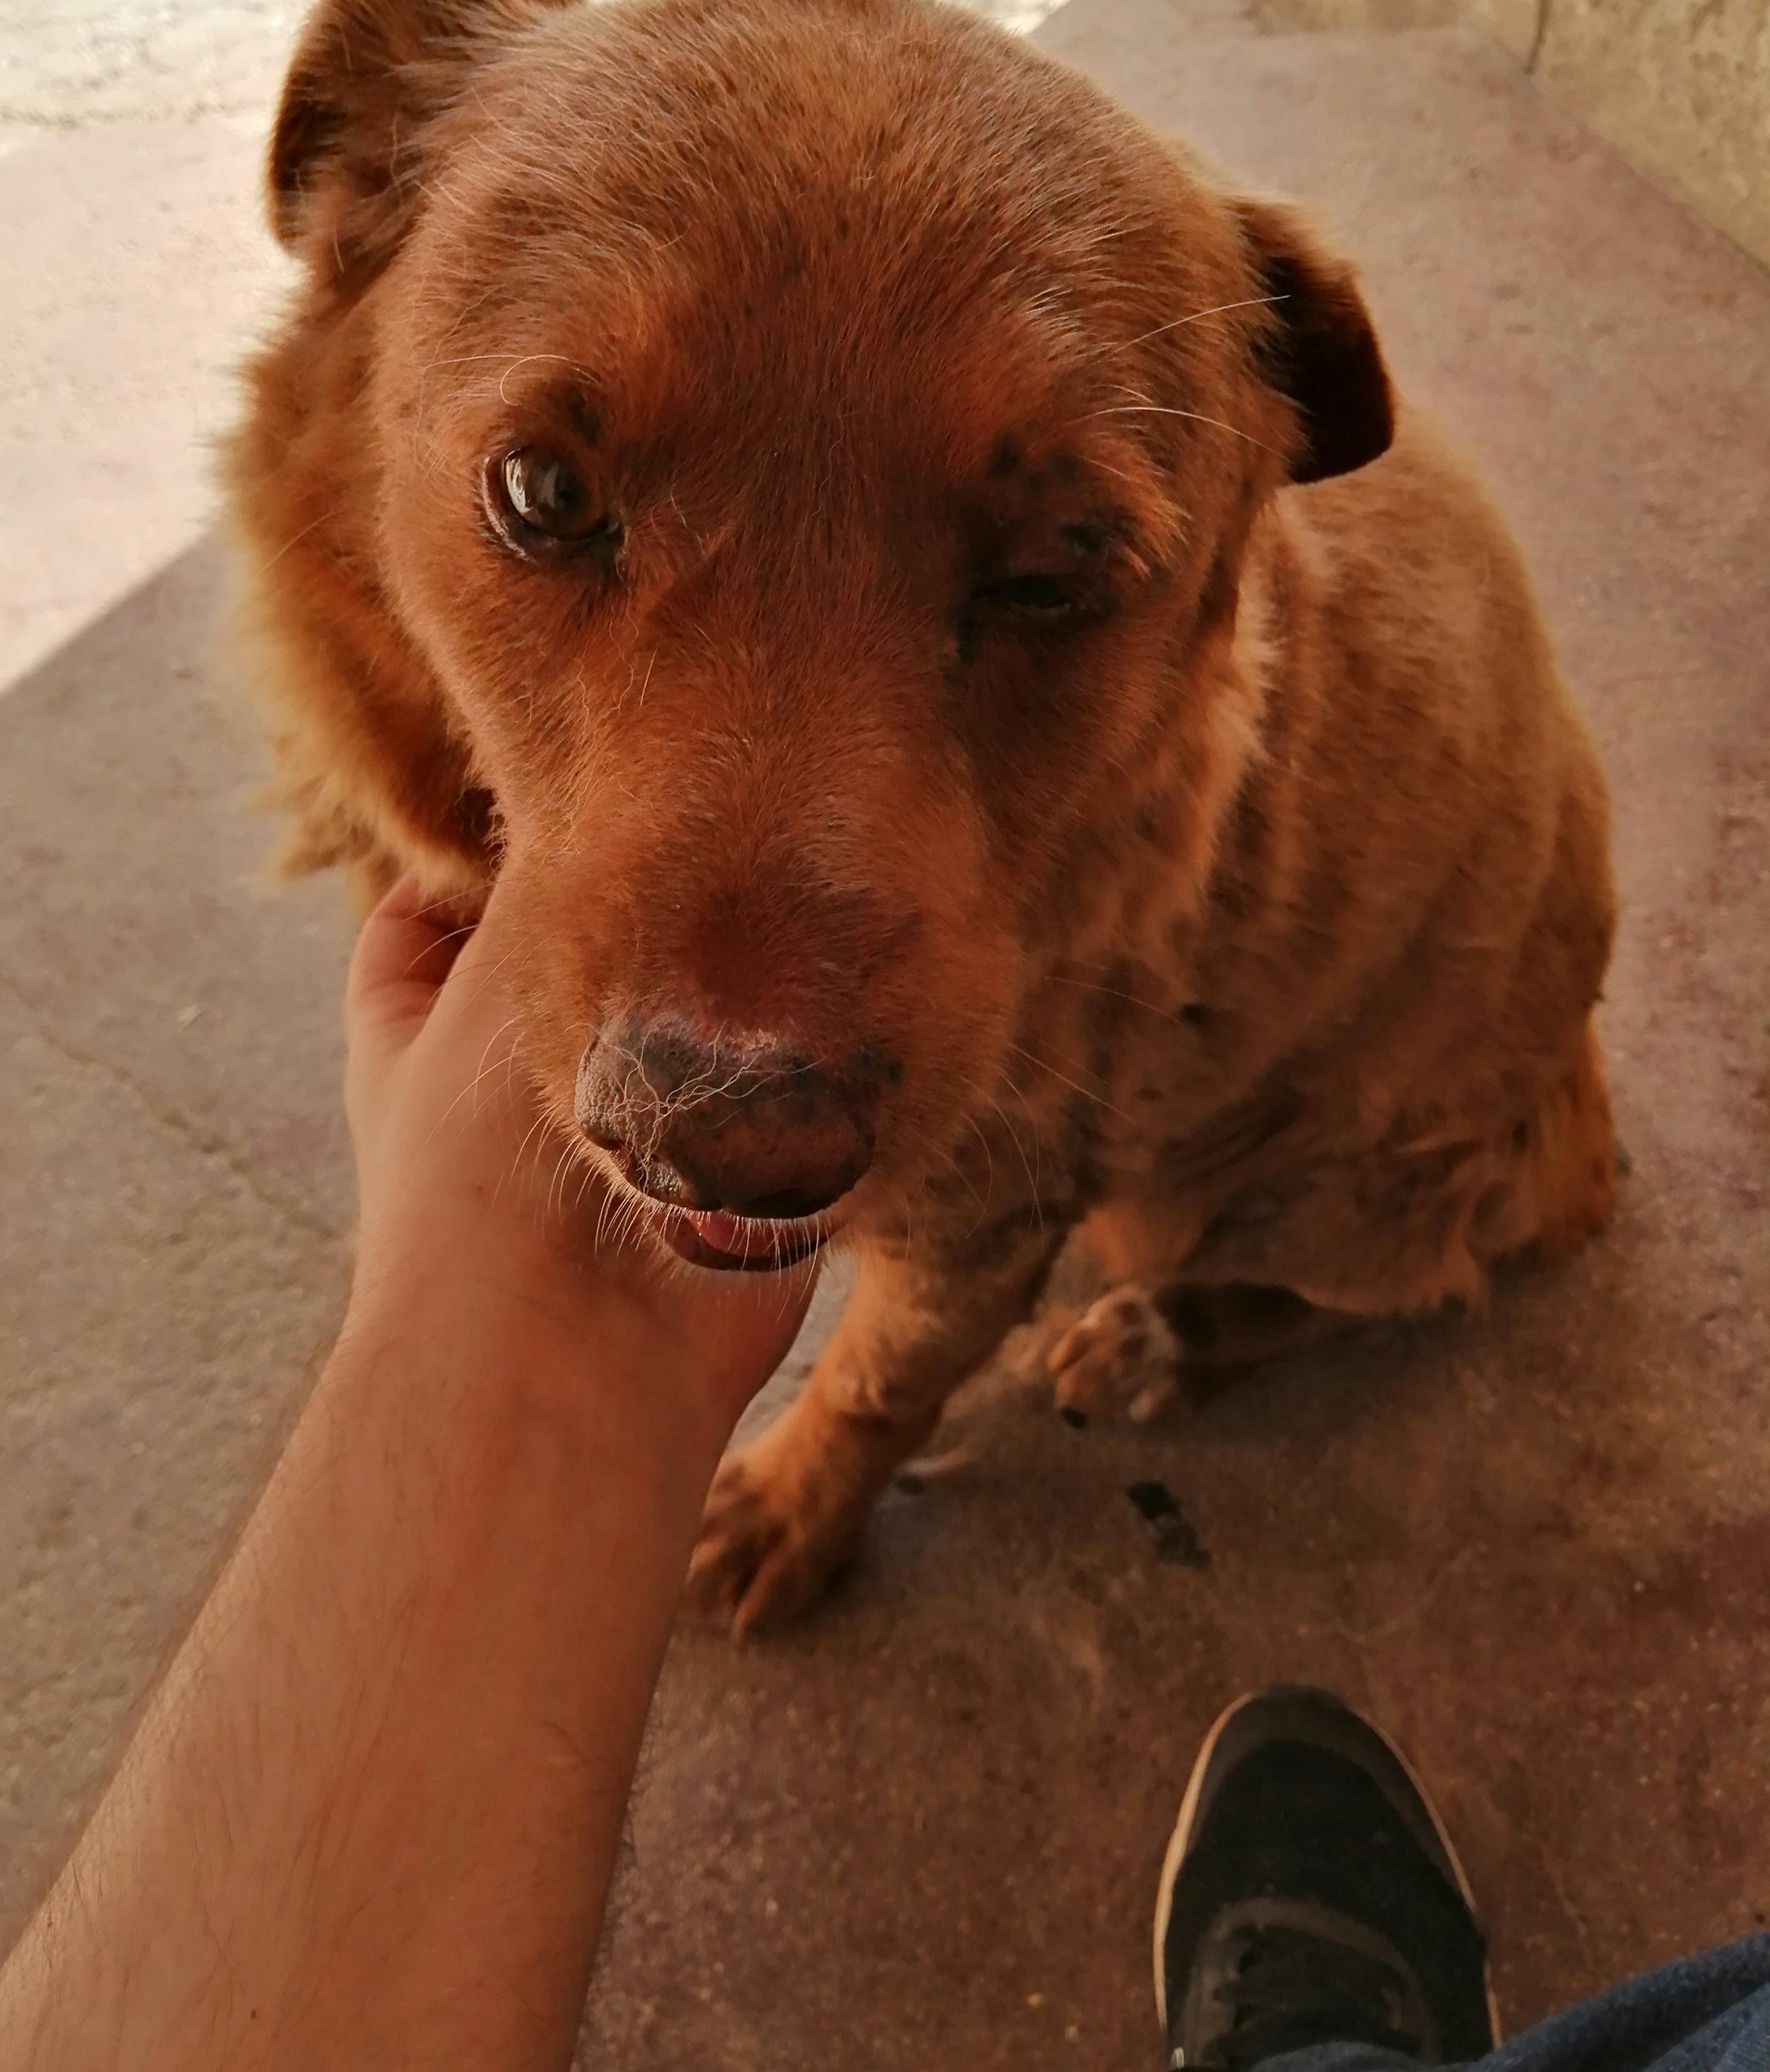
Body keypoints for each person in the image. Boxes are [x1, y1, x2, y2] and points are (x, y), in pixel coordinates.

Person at [0, 881, 1762, 2071]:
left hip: (1385, 1134)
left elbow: (982, 1208)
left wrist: (832, 1435)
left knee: (1190, 1214)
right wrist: (508, 1330)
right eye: (553, 505)